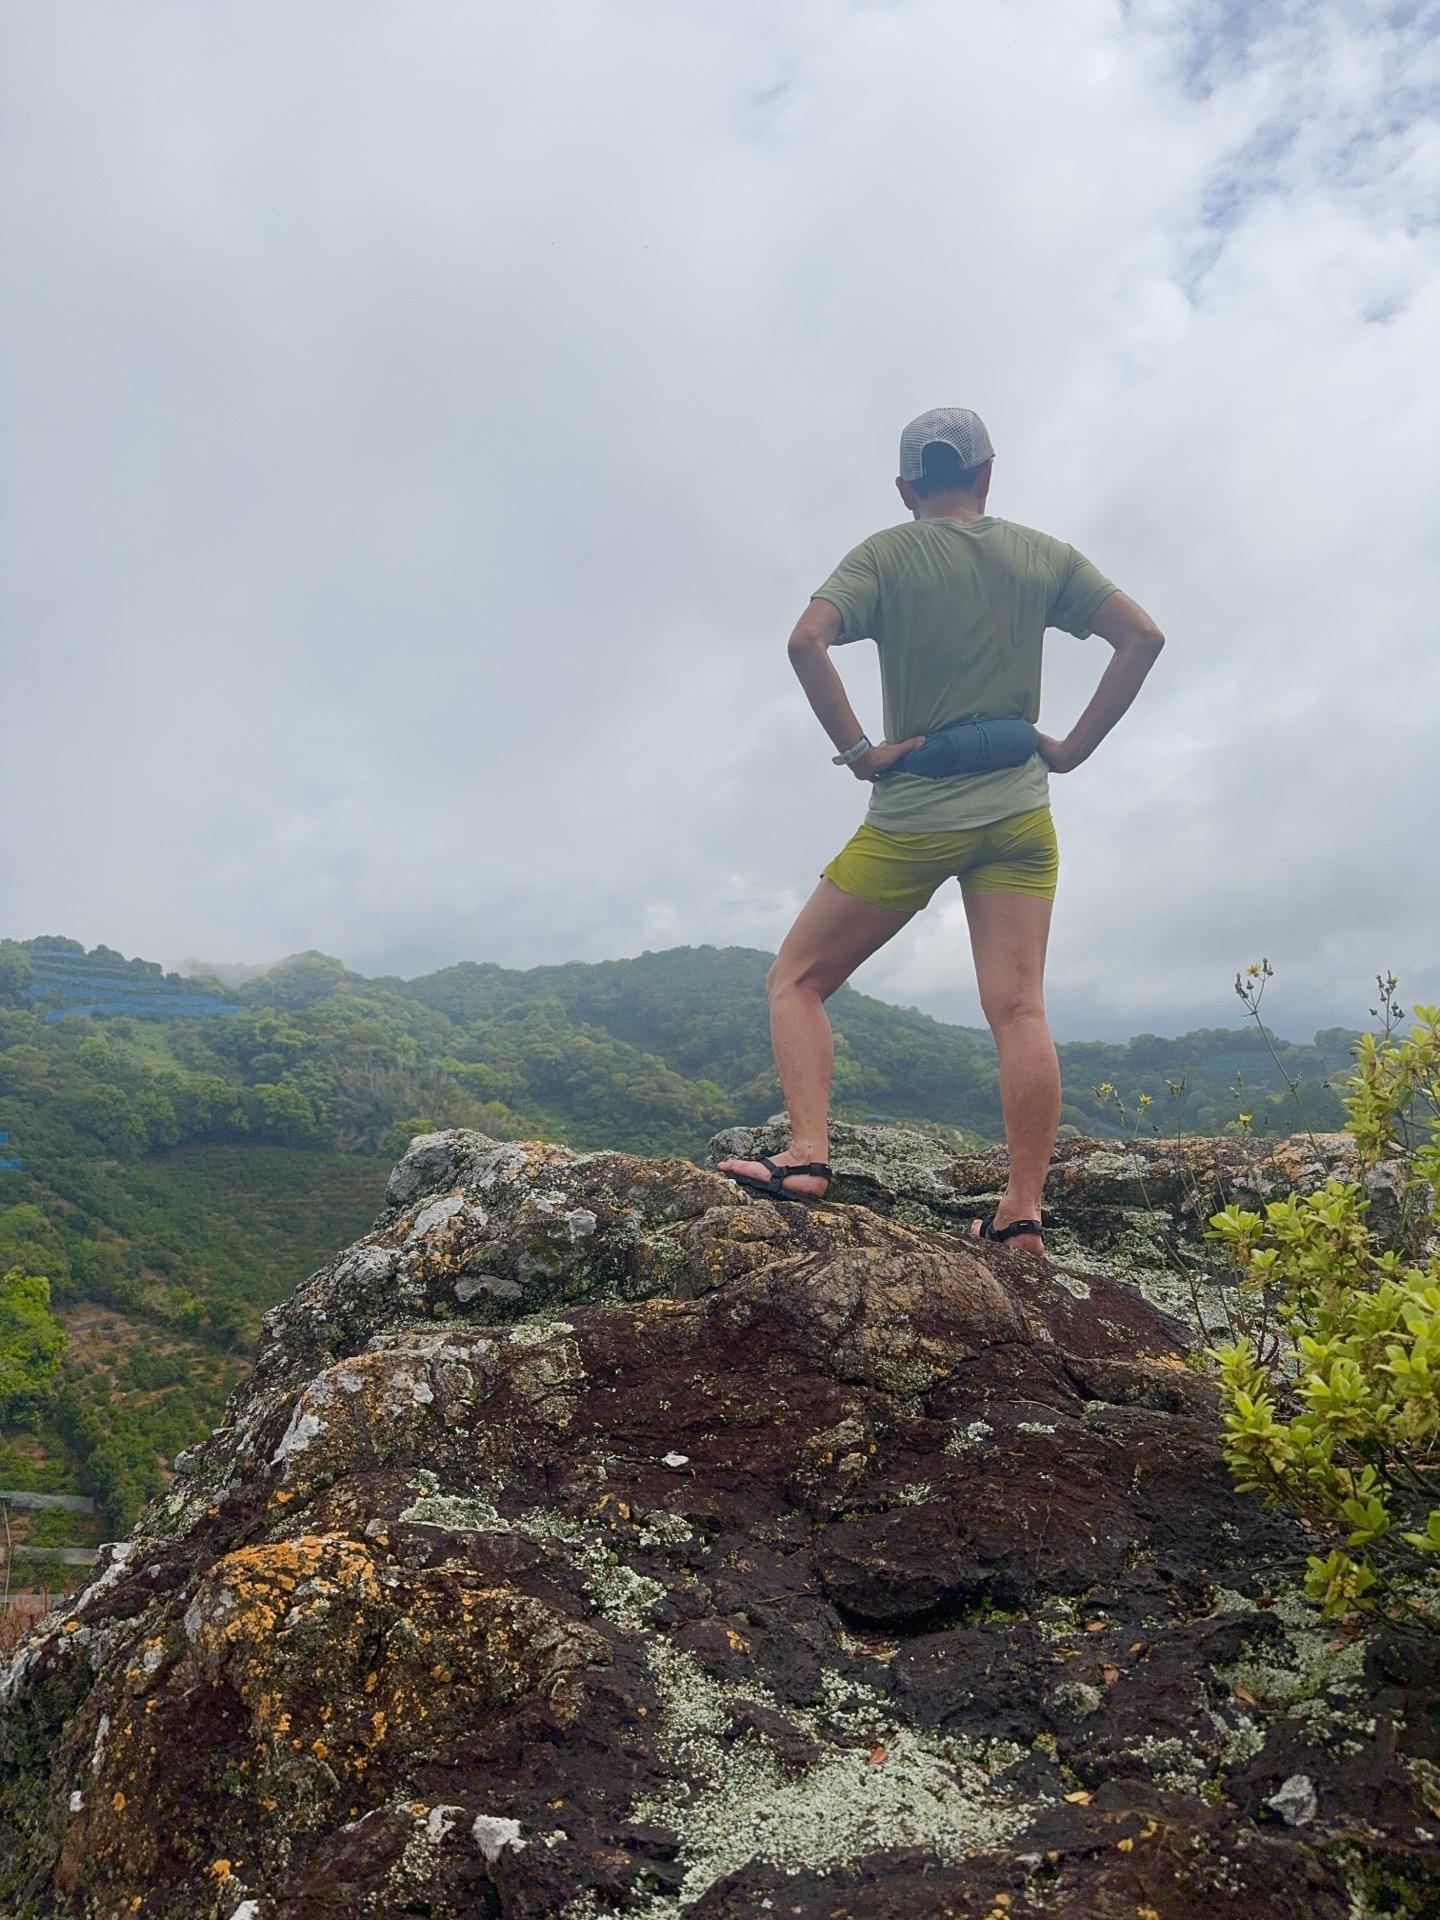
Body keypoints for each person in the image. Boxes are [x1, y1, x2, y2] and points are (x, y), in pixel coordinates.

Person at [717, 407, 1165, 1254]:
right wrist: (1068, 750)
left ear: (905, 488)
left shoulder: (885, 554)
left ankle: (808, 1154)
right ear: (988, 475)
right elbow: (1142, 635)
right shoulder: (1043, 555)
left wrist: (857, 751)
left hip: (915, 818)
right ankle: (1021, 1214)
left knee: (796, 979)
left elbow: (807, 642)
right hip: (1020, 815)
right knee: (1020, 1008)